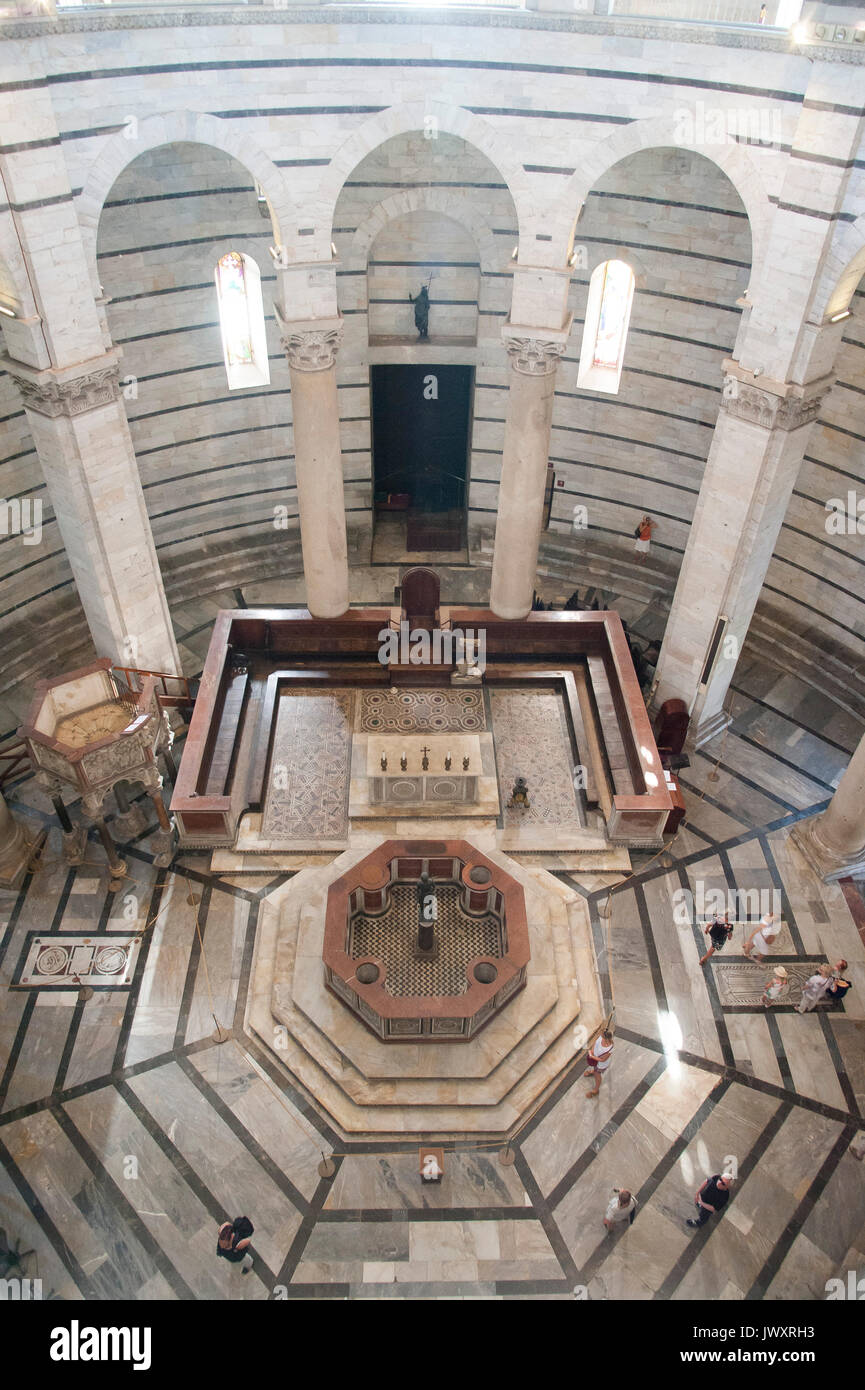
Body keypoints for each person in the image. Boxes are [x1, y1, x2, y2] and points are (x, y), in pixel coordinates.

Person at [584, 1029, 614, 1098]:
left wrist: (592, 1056)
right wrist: (592, 1050)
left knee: (597, 1076)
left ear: (605, 1038)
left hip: (601, 1065)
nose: (600, 1035)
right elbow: (596, 1043)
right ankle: (593, 1071)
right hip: (595, 1060)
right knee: (595, 1070)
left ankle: (596, 1090)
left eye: (602, 1035)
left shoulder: (609, 1048)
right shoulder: (601, 1037)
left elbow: (602, 1059)